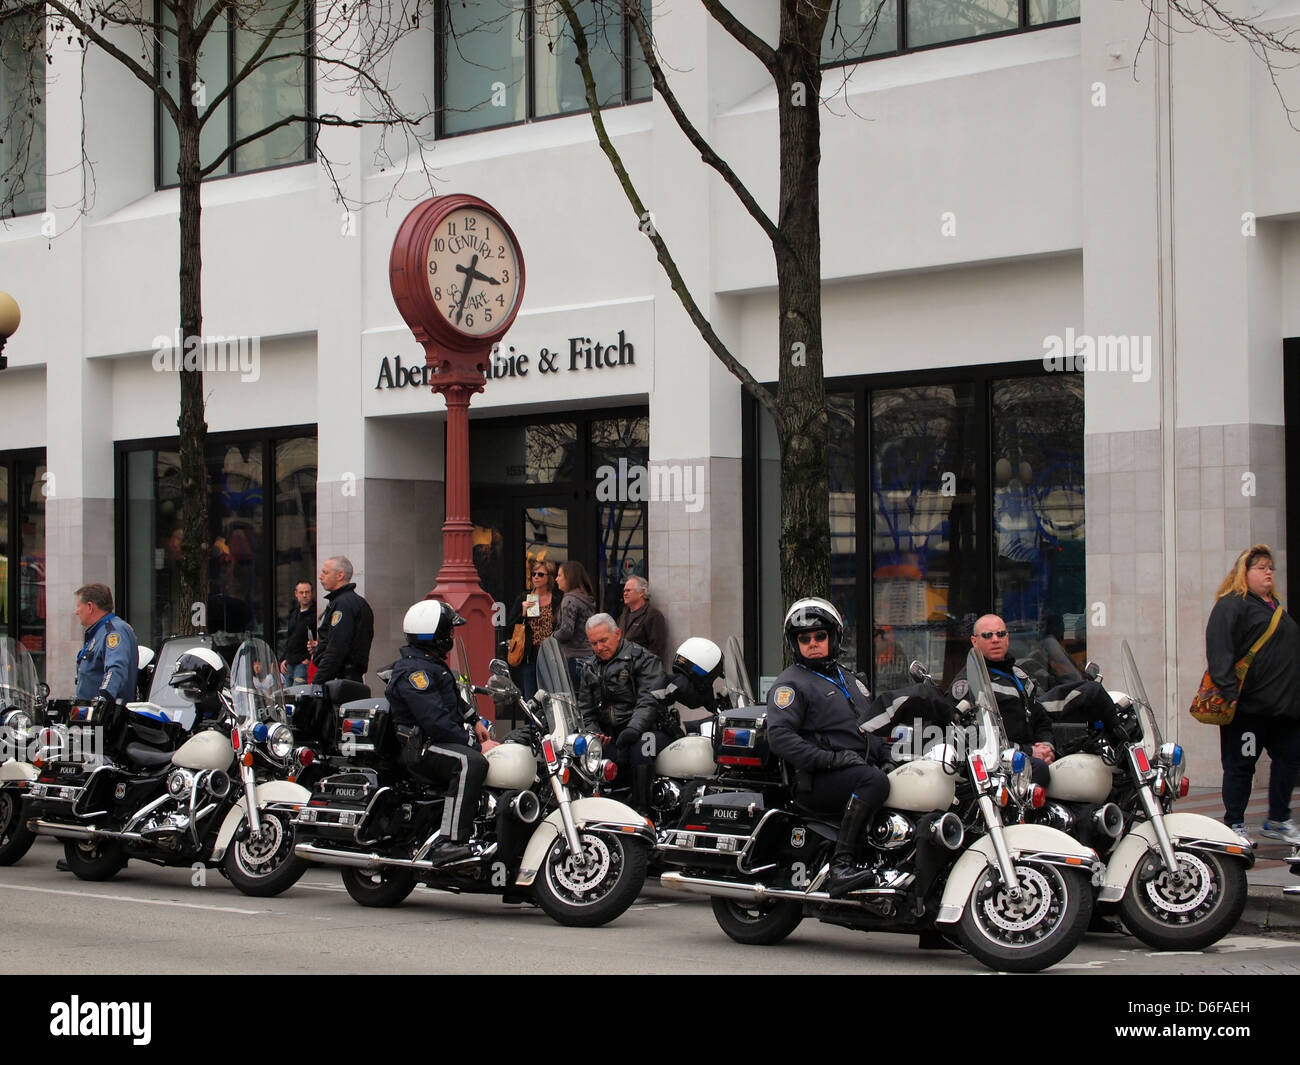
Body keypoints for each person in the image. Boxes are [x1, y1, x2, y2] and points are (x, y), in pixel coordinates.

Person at [767, 597, 889, 898]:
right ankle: (841, 866)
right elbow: (780, 736)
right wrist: (831, 760)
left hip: (854, 769)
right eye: (804, 638)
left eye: (819, 636)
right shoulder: (791, 684)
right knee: (873, 781)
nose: (812, 643)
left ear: (834, 637)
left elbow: (873, 727)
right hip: (818, 779)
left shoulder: (850, 679)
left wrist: (890, 757)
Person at [1206, 544, 1300, 843]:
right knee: (1240, 767)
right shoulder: (1232, 604)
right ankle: (1234, 822)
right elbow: (1219, 649)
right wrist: (1229, 691)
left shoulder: (1275, 607)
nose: (1269, 571)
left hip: (1284, 708)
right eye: (1260, 567)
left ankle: (1278, 819)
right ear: (1244, 573)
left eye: (1270, 566)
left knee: (1289, 760)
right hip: (1249, 708)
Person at [387, 599, 492, 865]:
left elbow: (453, 699)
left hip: (435, 741)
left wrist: (476, 721)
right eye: (448, 631)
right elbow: (434, 720)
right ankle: (450, 842)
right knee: (471, 761)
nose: (452, 636)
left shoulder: (430, 664)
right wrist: (474, 744)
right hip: (421, 747)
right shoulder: (415, 672)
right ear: (434, 635)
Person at [575, 613, 671, 814]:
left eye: (603, 640)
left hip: (646, 730)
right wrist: (594, 732)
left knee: (642, 747)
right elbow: (585, 708)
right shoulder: (589, 667)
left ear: (617, 634)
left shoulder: (644, 659)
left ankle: (643, 812)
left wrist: (632, 730)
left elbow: (649, 701)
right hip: (610, 735)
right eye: (594, 643)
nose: (599, 648)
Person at [950, 613, 1056, 787]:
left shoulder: (1020, 675)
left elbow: (1041, 718)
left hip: (1029, 753)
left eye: (1000, 634)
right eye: (987, 635)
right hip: (995, 762)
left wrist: (1046, 747)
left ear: (1007, 637)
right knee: (1039, 769)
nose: (995, 639)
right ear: (974, 641)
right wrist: (1030, 751)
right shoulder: (969, 682)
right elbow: (973, 736)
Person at [74, 583, 139, 710]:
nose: (76, 612)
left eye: (78, 606)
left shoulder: (114, 632)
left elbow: (115, 669)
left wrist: (102, 702)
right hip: (91, 715)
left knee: (98, 732)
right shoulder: (99, 633)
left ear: (90, 606)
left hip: (105, 719)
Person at [504, 558, 561, 700]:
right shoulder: (525, 597)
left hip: (551, 652)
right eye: (534, 574)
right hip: (530, 653)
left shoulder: (556, 599)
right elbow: (510, 626)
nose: (536, 577)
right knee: (531, 693)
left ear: (549, 578)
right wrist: (522, 613)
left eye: (540, 574)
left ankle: (550, 722)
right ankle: (533, 722)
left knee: (551, 692)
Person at [313, 556, 374, 685]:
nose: (320, 577)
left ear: (340, 575)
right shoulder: (354, 602)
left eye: (325, 572)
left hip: (339, 680)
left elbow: (337, 648)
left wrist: (317, 683)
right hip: (348, 678)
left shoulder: (343, 605)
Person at [552, 560, 597, 688]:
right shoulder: (585, 598)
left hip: (572, 657)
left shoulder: (569, 599)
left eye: (560, 575)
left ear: (569, 578)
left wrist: (551, 638)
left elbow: (566, 631)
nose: (556, 579)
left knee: (572, 699)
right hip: (588, 656)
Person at [617, 575, 668, 663]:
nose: (625, 593)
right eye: (624, 591)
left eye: (628, 590)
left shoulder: (653, 615)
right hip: (621, 667)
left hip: (641, 669)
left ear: (641, 592)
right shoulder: (623, 614)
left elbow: (656, 649)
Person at [279, 580, 317, 684]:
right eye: (301, 592)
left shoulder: (315, 614)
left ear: (312, 593)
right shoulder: (294, 613)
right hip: (289, 662)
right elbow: (290, 638)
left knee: (299, 694)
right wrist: (284, 659)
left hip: (303, 663)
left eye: (307, 592)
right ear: (296, 594)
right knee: (287, 695)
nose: (304, 595)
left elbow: (319, 639)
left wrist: (308, 659)